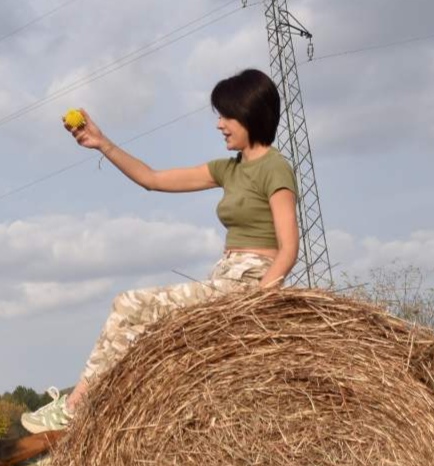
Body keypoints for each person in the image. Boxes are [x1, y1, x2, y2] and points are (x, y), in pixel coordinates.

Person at [20, 68, 299, 438]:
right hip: (223, 276)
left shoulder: (275, 168)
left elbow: (288, 249)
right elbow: (151, 179)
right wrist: (102, 143)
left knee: (129, 305)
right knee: (135, 328)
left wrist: (256, 307)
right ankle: (96, 413)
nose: (219, 124)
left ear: (250, 114)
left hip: (250, 280)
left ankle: (76, 407)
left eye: (226, 116)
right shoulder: (228, 170)